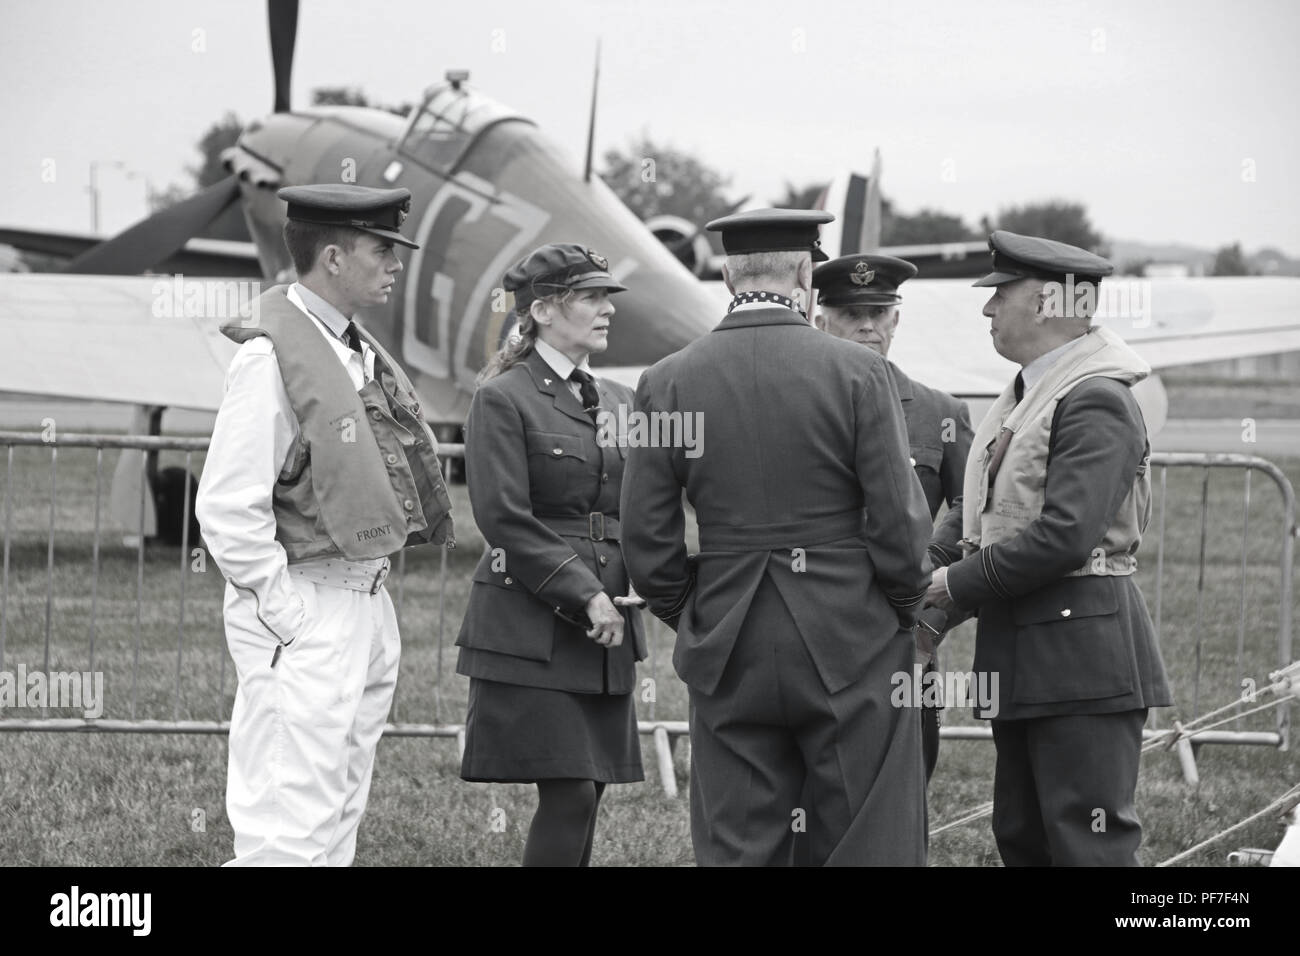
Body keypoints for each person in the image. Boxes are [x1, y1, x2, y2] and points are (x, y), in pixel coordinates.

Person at [620, 209, 933, 866]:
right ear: (803, 273)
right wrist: (899, 610)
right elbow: (901, 525)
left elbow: (647, 541)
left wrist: (695, 615)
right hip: (852, 633)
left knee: (739, 840)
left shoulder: (665, 381)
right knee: (864, 835)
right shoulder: (859, 373)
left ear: (727, 273)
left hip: (728, 636)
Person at [195, 183, 454, 866]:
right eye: (383, 249)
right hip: (309, 604)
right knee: (287, 828)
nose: (396, 263)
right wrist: (287, 617)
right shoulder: (269, 355)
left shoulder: (347, 347)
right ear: (333, 257)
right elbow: (226, 505)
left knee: (335, 817)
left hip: (361, 602)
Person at [926, 230, 1172, 866]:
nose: (987, 309)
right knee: (1027, 839)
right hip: (1035, 650)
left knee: (1086, 845)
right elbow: (992, 516)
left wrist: (953, 587)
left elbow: (1065, 535)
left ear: (1045, 303)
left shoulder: (1096, 398)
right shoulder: (1037, 390)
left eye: (999, 294)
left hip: (1078, 658)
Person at [456, 242, 646, 867]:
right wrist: (584, 592)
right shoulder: (503, 397)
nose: (606, 309)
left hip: (606, 623)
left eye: (606, 297)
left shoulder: (618, 399)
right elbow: (503, 517)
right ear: (541, 310)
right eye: (590, 297)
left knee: (588, 790)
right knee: (568, 790)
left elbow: (634, 508)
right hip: (534, 621)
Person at [813, 253, 974, 782]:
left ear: (896, 319)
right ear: (820, 320)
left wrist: (930, 618)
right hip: (810, 624)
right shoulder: (797, 403)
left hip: (902, 627)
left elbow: (973, 510)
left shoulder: (939, 412)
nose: (867, 325)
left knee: (903, 782)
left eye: (880, 312)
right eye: (851, 312)